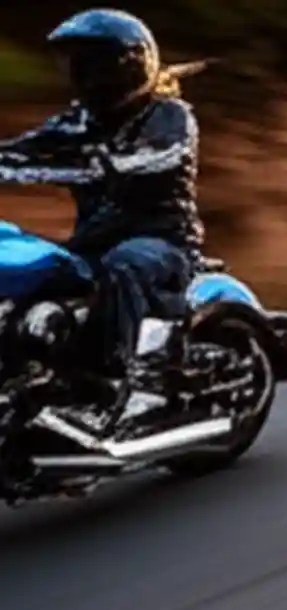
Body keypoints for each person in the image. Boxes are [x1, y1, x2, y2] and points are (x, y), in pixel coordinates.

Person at [0, 9, 202, 426]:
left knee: (123, 265)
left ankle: (103, 383)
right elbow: (24, 148)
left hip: (162, 240)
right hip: (94, 239)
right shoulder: (80, 120)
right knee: (30, 271)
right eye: (74, 62)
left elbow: (157, 157)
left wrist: (97, 167)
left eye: (89, 62)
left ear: (125, 64)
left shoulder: (168, 115)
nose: (79, 72)